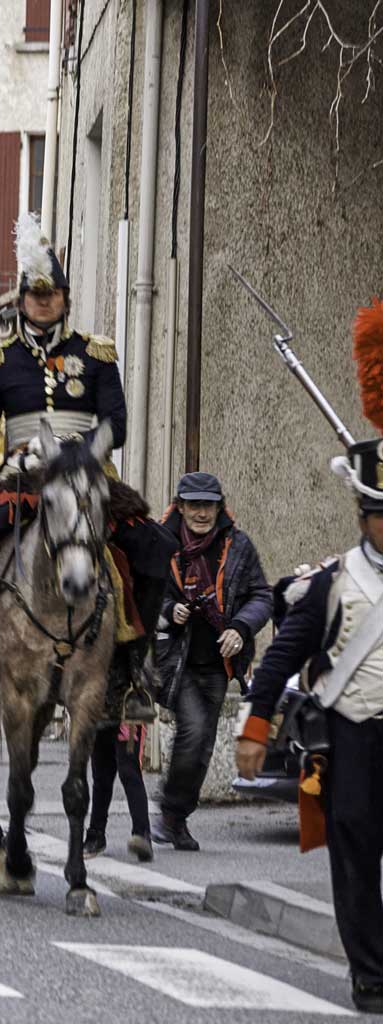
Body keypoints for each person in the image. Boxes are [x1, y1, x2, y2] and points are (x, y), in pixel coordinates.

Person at [0, 212, 175, 726]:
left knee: (153, 545)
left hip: (86, 475)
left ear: (65, 298)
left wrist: (77, 451)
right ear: (23, 299)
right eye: (35, 294)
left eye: (52, 294)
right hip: (22, 477)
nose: (44, 302)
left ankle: (134, 670)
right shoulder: (0, 363)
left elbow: (118, 422)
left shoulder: (96, 356)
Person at [236, 300, 383, 1016]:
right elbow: (278, 659)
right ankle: (369, 973)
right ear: (362, 516)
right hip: (352, 734)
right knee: (354, 853)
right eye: (380, 515)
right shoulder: (329, 583)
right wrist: (255, 726)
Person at [153, 472, 272, 851]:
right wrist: (170, 611)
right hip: (177, 662)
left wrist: (241, 627)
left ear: (219, 507)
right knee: (192, 731)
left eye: (208, 505)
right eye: (194, 505)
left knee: (202, 743)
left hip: (220, 662)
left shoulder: (237, 545)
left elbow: (262, 596)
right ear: (181, 506)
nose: (201, 513)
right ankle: (170, 810)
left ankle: (175, 818)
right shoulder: (161, 543)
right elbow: (143, 592)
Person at [84, 723, 153, 862]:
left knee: (129, 771)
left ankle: (142, 835)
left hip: (129, 710)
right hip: (100, 714)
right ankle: (96, 834)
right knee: (101, 775)